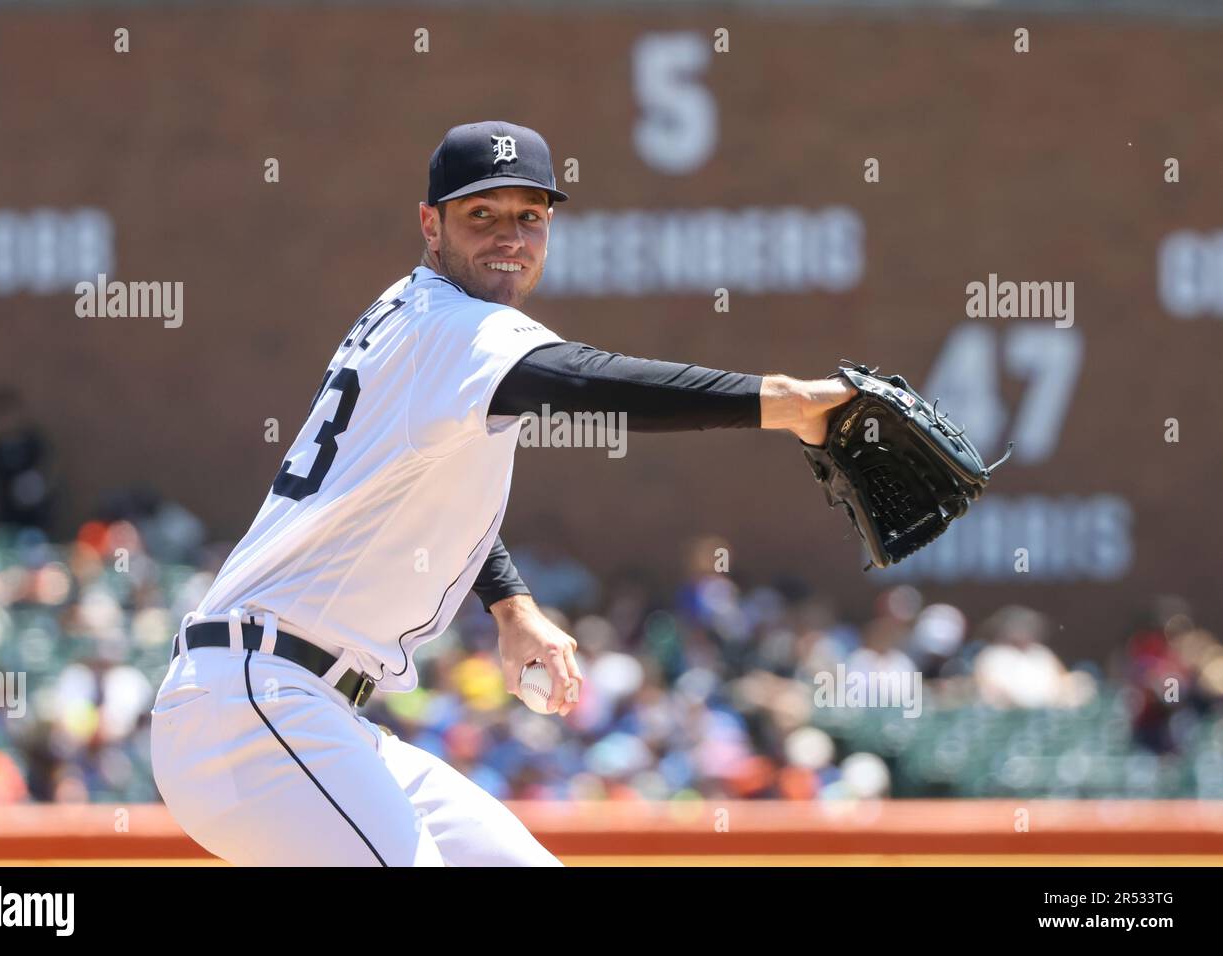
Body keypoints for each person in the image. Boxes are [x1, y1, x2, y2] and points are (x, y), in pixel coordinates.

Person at [149, 120, 856, 866]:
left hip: (302, 711)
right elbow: (587, 381)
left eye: (530, 217)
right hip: (254, 707)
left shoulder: (418, 318)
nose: (508, 237)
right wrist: (786, 402)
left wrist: (512, 607)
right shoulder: (456, 327)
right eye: (480, 214)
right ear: (431, 225)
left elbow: (426, 489)